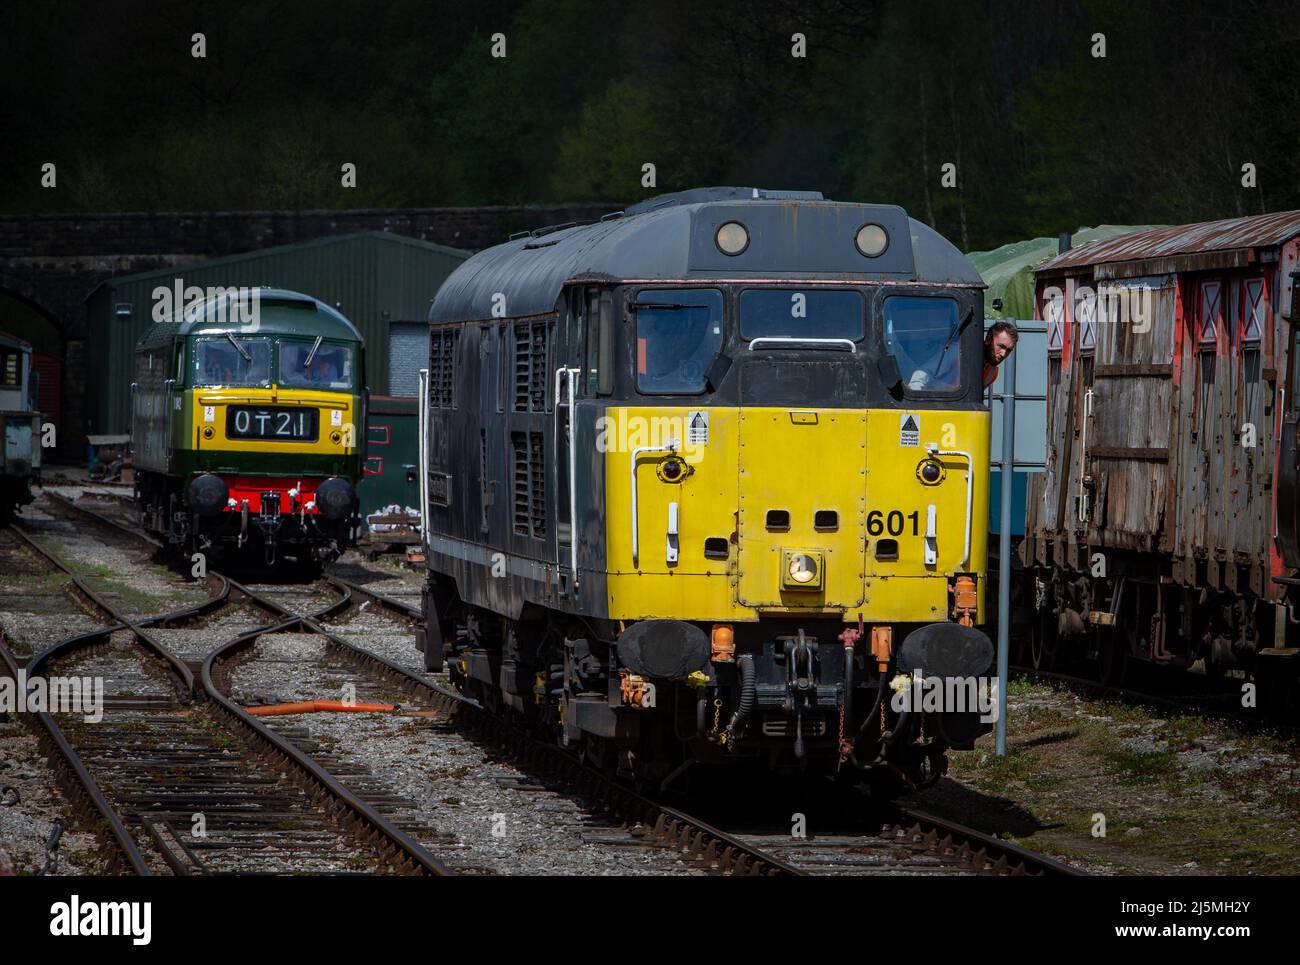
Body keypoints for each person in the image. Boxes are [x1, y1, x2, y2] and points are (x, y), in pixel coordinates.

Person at [983, 321, 1018, 388]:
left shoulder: (992, 373)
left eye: (1008, 350)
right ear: (988, 339)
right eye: (1001, 346)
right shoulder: (964, 357)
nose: (1003, 354)